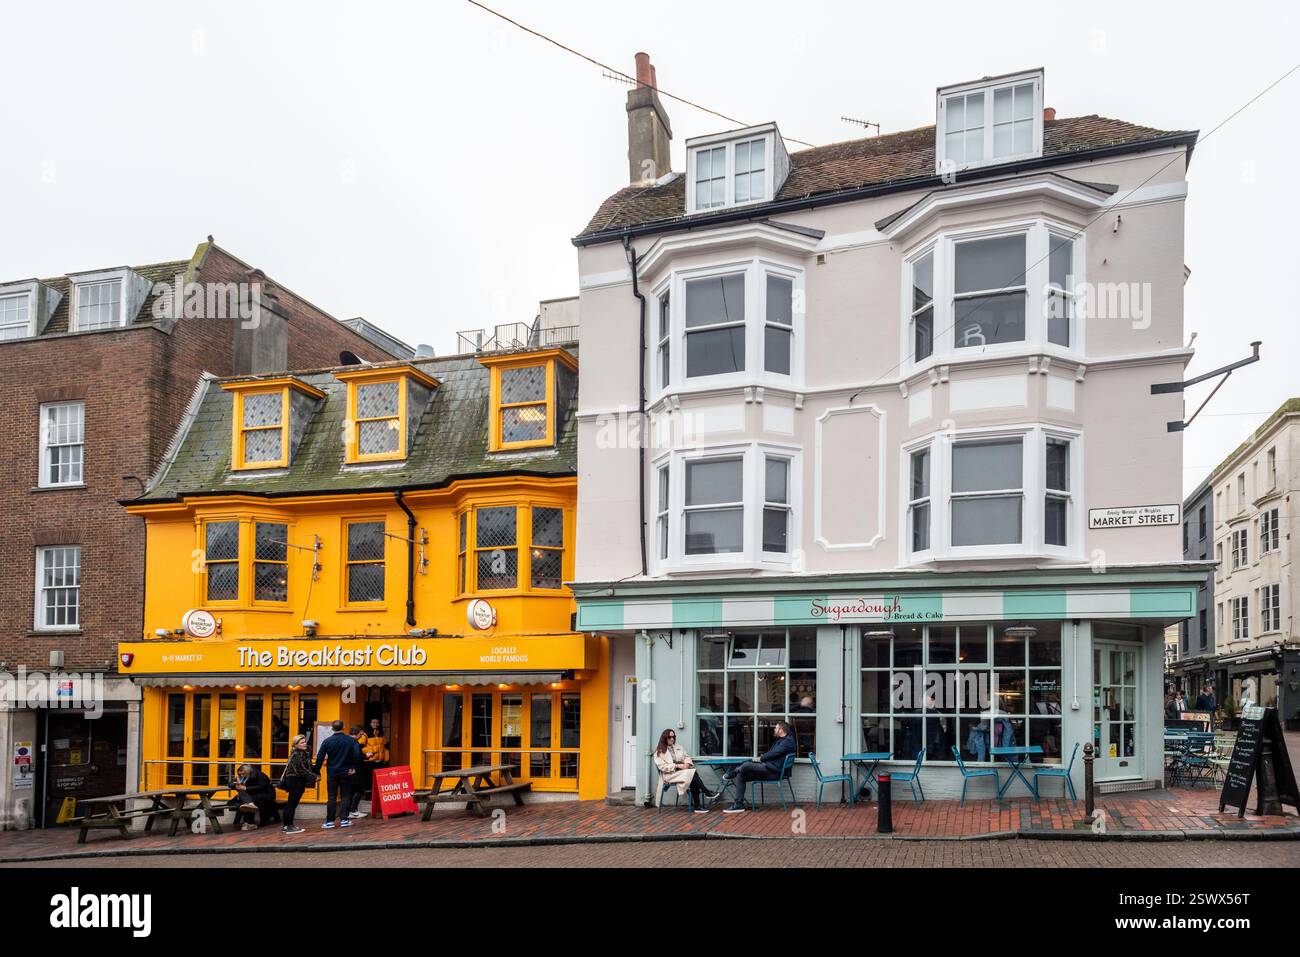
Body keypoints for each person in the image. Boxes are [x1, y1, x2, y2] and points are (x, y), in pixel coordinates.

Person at [719, 721, 796, 814]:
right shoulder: (784, 740)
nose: (774, 729)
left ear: (781, 730)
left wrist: (762, 758)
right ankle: (738, 804)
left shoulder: (787, 742)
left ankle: (733, 773)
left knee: (747, 765)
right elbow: (774, 754)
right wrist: (764, 758)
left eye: (776, 728)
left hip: (774, 773)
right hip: (771, 769)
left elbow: (775, 753)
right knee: (741, 774)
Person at [314, 720, 363, 829]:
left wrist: (316, 771)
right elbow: (357, 755)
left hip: (332, 772)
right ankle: (344, 820)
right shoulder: (350, 740)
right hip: (346, 771)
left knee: (331, 796)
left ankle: (330, 821)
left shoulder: (327, 741)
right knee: (345, 796)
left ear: (332, 728)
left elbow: (320, 758)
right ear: (344, 727)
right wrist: (353, 767)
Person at [652, 730, 713, 813]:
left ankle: (699, 804)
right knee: (692, 773)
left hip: (682, 772)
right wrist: (677, 766)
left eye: (673, 737)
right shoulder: (659, 752)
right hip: (670, 775)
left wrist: (687, 764)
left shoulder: (678, 747)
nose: (672, 739)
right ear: (664, 738)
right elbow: (662, 767)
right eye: (669, 737)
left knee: (691, 774)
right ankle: (706, 793)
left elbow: (686, 756)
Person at [349, 718, 390, 818]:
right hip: (369, 761)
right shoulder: (365, 735)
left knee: (377, 781)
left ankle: (375, 797)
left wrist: (386, 757)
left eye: (377, 722)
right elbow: (359, 747)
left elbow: (385, 746)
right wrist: (368, 753)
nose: (376, 724)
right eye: (374, 722)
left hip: (379, 760)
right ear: (370, 723)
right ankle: (366, 798)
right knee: (367, 781)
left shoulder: (380, 733)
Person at [279, 734, 318, 835]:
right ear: (295, 744)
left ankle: (289, 825)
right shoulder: (297, 754)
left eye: (305, 741)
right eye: (302, 742)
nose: (305, 744)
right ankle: (288, 825)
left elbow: (306, 767)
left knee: (292, 803)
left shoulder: (302, 753)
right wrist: (314, 777)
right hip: (295, 780)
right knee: (291, 803)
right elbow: (300, 769)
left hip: (297, 780)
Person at [231, 763, 280, 830]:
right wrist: (235, 784)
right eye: (240, 774)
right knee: (243, 795)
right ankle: (250, 810)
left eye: (243, 774)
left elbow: (261, 787)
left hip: (266, 795)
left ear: (248, 772)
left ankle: (249, 822)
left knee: (246, 799)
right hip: (253, 795)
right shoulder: (241, 777)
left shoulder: (260, 775)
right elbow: (230, 784)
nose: (241, 775)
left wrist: (246, 788)